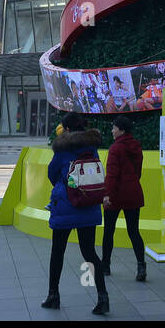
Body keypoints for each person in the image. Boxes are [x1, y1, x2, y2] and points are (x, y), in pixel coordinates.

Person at [42, 114, 108, 315]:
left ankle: (53, 295)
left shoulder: (63, 150)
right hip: (89, 204)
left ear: (67, 129)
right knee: (89, 252)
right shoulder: (92, 147)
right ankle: (102, 297)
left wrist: (66, 187)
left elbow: (52, 174)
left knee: (58, 251)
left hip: (66, 206)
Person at [100, 116, 146, 282]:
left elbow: (111, 175)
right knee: (134, 231)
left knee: (109, 231)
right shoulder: (136, 146)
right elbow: (138, 172)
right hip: (133, 192)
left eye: (114, 128)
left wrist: (106, 195)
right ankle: (141, 266)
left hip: (116, 195)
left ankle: (105, 266)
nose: (112, 131)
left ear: (122, 130)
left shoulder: (115, 149)